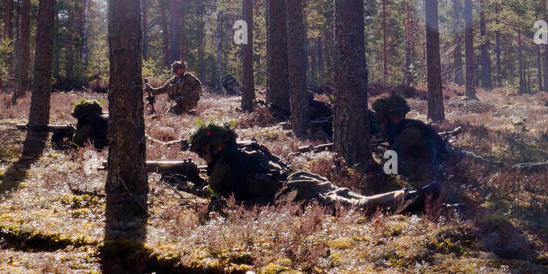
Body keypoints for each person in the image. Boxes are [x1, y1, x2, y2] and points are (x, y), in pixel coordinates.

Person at [186, 122, 441, 215]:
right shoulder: (246, 148)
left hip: (294, 194)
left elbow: (219, 197)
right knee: (349, 195)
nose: (203, 158)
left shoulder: (224, 164)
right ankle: (428, 201)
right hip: (300, 179)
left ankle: (411, 199)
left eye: (203, 153)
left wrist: (194, 188)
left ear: (215, 147)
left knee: (355, 207)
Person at [372, 93, 449, 182]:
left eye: (383, 122)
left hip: (432, 172)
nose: (382, 126)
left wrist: (376, 174)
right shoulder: (401, 128)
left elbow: (392, 157)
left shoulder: (410, 131)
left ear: (392, 119)